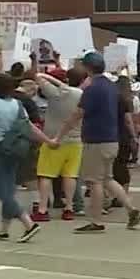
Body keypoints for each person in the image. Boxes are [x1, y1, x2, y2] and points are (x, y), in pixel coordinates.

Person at [53, 52, 140, 233]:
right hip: (111, 138)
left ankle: (97, 220)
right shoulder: (111, 87)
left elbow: (77, 114)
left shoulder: (92, 89)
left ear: (88, 68)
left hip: (96, 139)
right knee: (107, 178)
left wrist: (59, 136)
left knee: (94, 182)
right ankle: (131, 208)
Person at [0, 72, 52, 243]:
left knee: (2, 192)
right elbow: (29, 127)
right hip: (15, 150)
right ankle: (4, 229)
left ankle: (28, 223)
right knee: (9, 187)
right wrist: (48, 140)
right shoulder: (17, 104)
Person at [31, 67, 84, 223]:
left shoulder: (54, 94)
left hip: (53, 139)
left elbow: (38, 76)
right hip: (75, 140)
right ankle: (69, 208)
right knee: (70, 175)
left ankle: (42, 209)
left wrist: (55, 80)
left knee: (46, 174)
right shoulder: (81, 95)